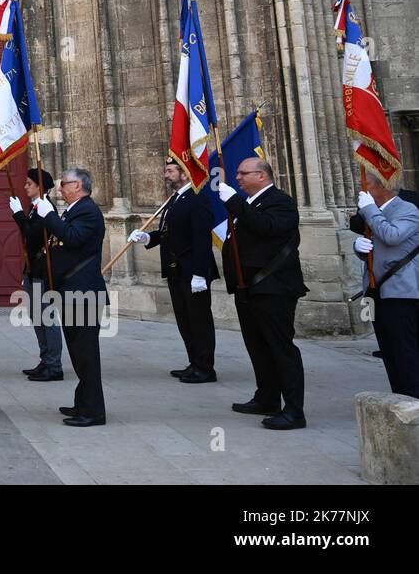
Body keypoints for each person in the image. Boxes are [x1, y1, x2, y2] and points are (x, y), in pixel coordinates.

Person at [217, 158, 307, 430]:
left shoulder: (280, 201)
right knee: (257, 346)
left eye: (243, 173)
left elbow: (266, 227)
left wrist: (235, 203)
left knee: (280, 348)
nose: (238, 178)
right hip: (249, 288)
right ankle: (267, 397)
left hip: (273, 288)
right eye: (238, 173)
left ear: (262, 175)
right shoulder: (253, 202)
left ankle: (294, 410)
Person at [128, 159, 219, 382]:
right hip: (176, 270)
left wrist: (200, 273)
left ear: (185, 173)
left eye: (170, 171)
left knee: (199, 321)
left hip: (192, 272)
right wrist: (148, 237)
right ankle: (194, 362)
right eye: (166, 171)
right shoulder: (176, 199)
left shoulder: (197, 199)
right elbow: (169, 232)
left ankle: (205, 368)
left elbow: (201, 239)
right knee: (184, 320)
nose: (166, 175)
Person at [36, 167, 108, 427]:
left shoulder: (87, 210)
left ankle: (94, 411)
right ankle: (83, 403)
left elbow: (73, 238)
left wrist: (50, 217)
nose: (60, 188)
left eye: (64, 184)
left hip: (83, 293)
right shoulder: (76, 209)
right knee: (78, 353)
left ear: (78, 185)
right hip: (71, 292)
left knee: (86, 354)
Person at [352, 173, 419, 399]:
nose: (362, 189)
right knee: (389, 353)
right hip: (376, 292)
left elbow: (392, 236)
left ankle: (413, 401)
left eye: (367, 184)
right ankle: (400, 399)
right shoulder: (375, 213)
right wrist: (358, 248)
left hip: (401, 293)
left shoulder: (407, 210)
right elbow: (380, 251)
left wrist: (370, 210)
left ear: (383, 187)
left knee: (405, 352)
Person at [9, 167, 63, 382]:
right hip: (33, 269)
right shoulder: (36, 207)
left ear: (39, 187)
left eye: (29, 184)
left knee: (46, 317)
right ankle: (45, 359)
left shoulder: (45, 207)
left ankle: (54, 364)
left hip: (43, 269)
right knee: (37, 316)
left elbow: (32, 235)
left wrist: (18, 215)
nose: (25, 187)